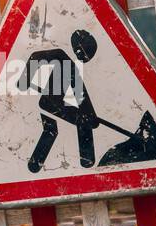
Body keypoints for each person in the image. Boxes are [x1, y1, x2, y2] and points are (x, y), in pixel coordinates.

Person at [17, 29, 100, 172]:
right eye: (85, 54)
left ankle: (86, 160)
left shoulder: (72, 68)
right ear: (78, 48)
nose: (85, 59)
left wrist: (91, 115)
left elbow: (81, 95)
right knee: (57, 128)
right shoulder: (60, 55)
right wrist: (25, 79)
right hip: (48, 101)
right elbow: (35, 57)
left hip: (55, 103)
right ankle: (36, 164)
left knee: (77, 122)